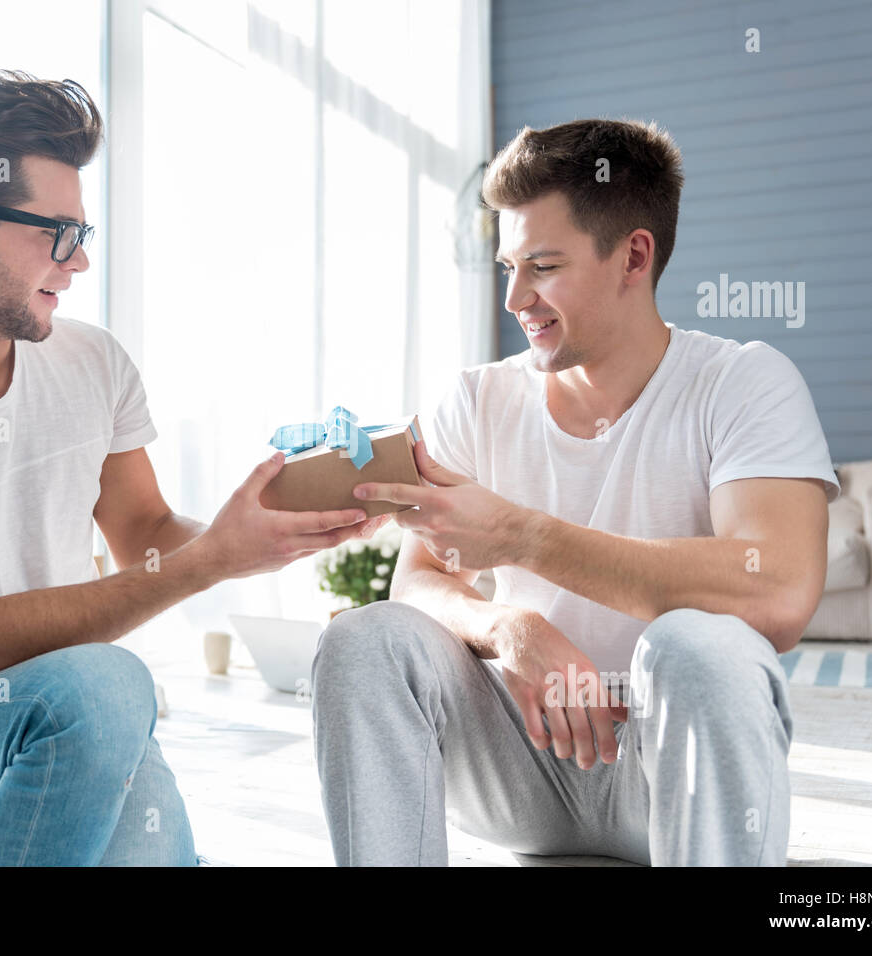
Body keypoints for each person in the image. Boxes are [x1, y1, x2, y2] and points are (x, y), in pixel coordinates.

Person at [0, 70, 380, 866]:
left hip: (84, 722)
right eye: (56, 232)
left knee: (110, 727)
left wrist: (274, 531)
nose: (80, 261)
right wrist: (209, 562)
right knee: (107, 687)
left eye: (82, 232)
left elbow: (145, 533)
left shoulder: (93, 363)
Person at [311, 117, 838, 867]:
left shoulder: (742, 382)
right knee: (362, 640)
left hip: (670, 775)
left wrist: (523, 537)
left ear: (634, 256)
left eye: (544, 266)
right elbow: (419, 580)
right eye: (507, 266)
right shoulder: (476, 399)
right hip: (522, 762)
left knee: (699, 646)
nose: (514, 298)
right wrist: (508, 628)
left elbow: (778, 588)